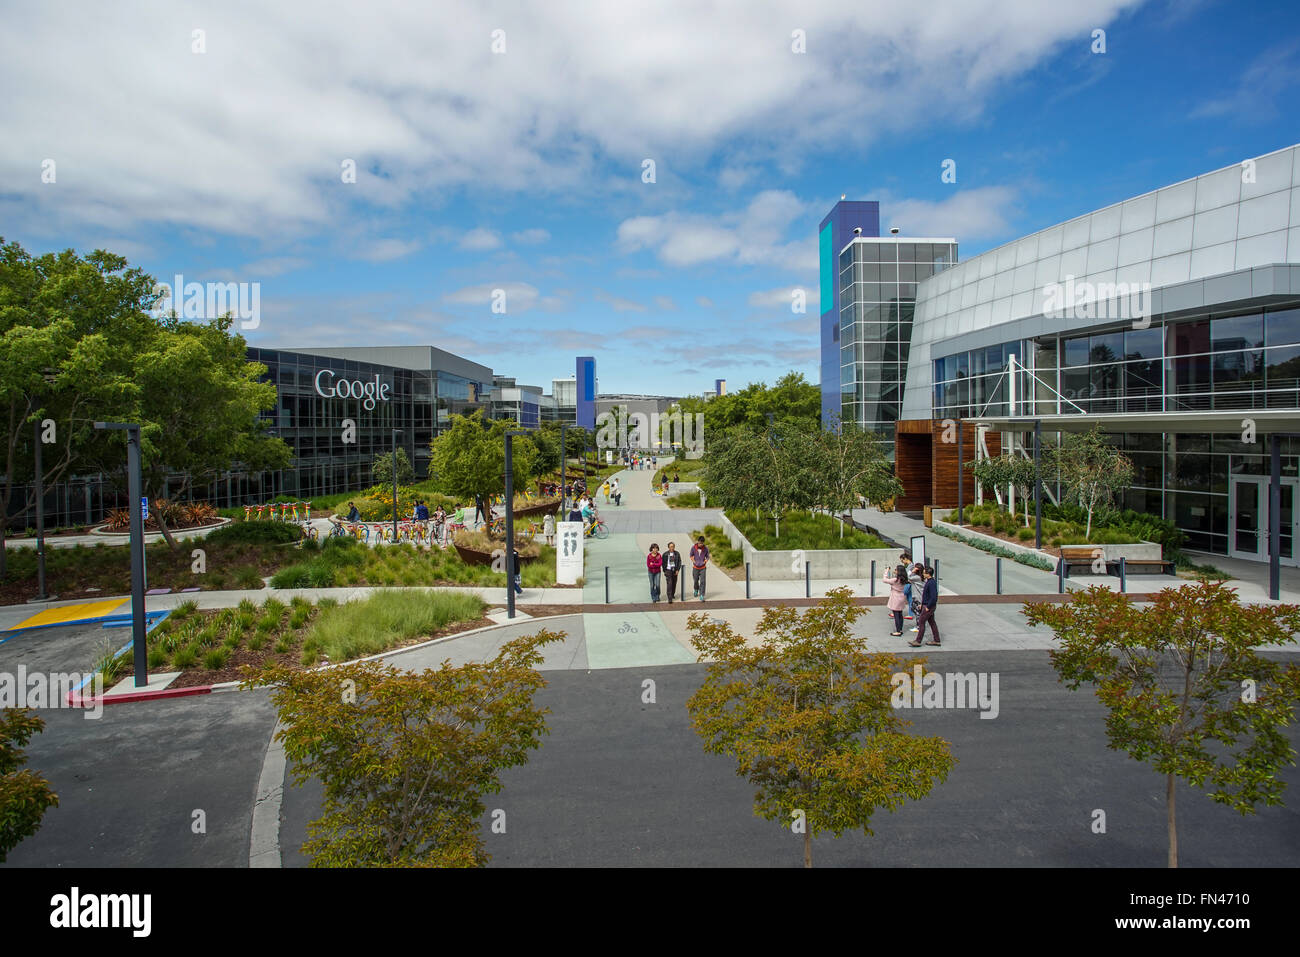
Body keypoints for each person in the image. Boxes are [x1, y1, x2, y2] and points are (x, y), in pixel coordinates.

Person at [909, 566, 941, 647]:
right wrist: (922, 604)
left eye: (924, 573)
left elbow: (933, 597)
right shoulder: (930, 582)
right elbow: (926, 595)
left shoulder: (931, 583)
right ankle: (936, 640)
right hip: (926, 605)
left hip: (928, 606)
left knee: (921, 622)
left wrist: (927, 606)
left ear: (928, 574)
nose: (923, 574)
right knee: (932, 622)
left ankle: (918, 641)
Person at [884, 561, 908, 636]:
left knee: (896, 614)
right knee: (900, 614)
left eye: (896, 570)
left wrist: (886, 572)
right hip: (902, 596)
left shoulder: (895, 580)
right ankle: (900, 629)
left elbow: (885, 580)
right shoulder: (904, 579)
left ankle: (898, 631)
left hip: (895, 597)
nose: (895, 571)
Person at [690, 535, 710, 600]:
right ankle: (696, 589)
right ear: (698, 541)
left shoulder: (705, 548)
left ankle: (702, 594)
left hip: (703, 568)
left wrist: (705, 561)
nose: (700, 544)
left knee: (703, 581)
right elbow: (691, 555)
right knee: (695, 580)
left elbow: (707, 556)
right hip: (695, 567)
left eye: (702, 543)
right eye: (699, 543)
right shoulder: (693, 547)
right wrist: (693, 561)